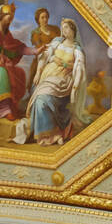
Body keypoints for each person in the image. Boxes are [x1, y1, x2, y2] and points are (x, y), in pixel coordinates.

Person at [18, 17, 87, 146]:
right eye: (63, 27)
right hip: (47, 77)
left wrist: (74, 87)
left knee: (42, 100)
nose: (64, 30)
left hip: (63, 81)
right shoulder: (57, 42)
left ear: (73, 29)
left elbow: (78, 69)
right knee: (39, 100)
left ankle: (52, 134)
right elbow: (44, 56)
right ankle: (48, 135)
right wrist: (38, 72)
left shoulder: (77, 50)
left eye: (66, 27)